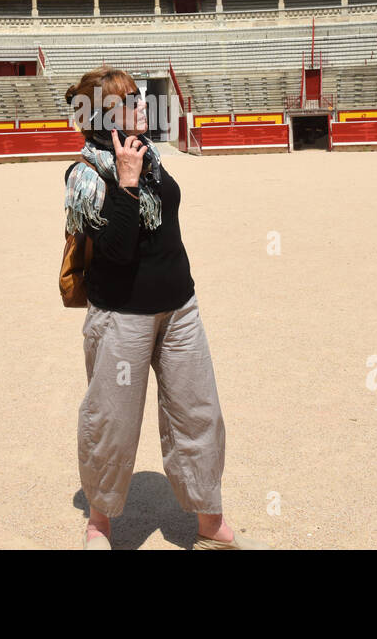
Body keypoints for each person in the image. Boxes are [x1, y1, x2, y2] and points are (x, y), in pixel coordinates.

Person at [63, 66, 269, 551]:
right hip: (121, 317)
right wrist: (127, 185)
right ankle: (99, 526)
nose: (142, 104)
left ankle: (212, 526)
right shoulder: (86, 174)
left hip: (179, 308)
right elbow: (115, 252)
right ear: (102, 115)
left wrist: (138, 171)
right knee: (111, 421)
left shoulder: (150, 156)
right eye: (129, 99)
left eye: (138, 96)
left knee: (198, 413)